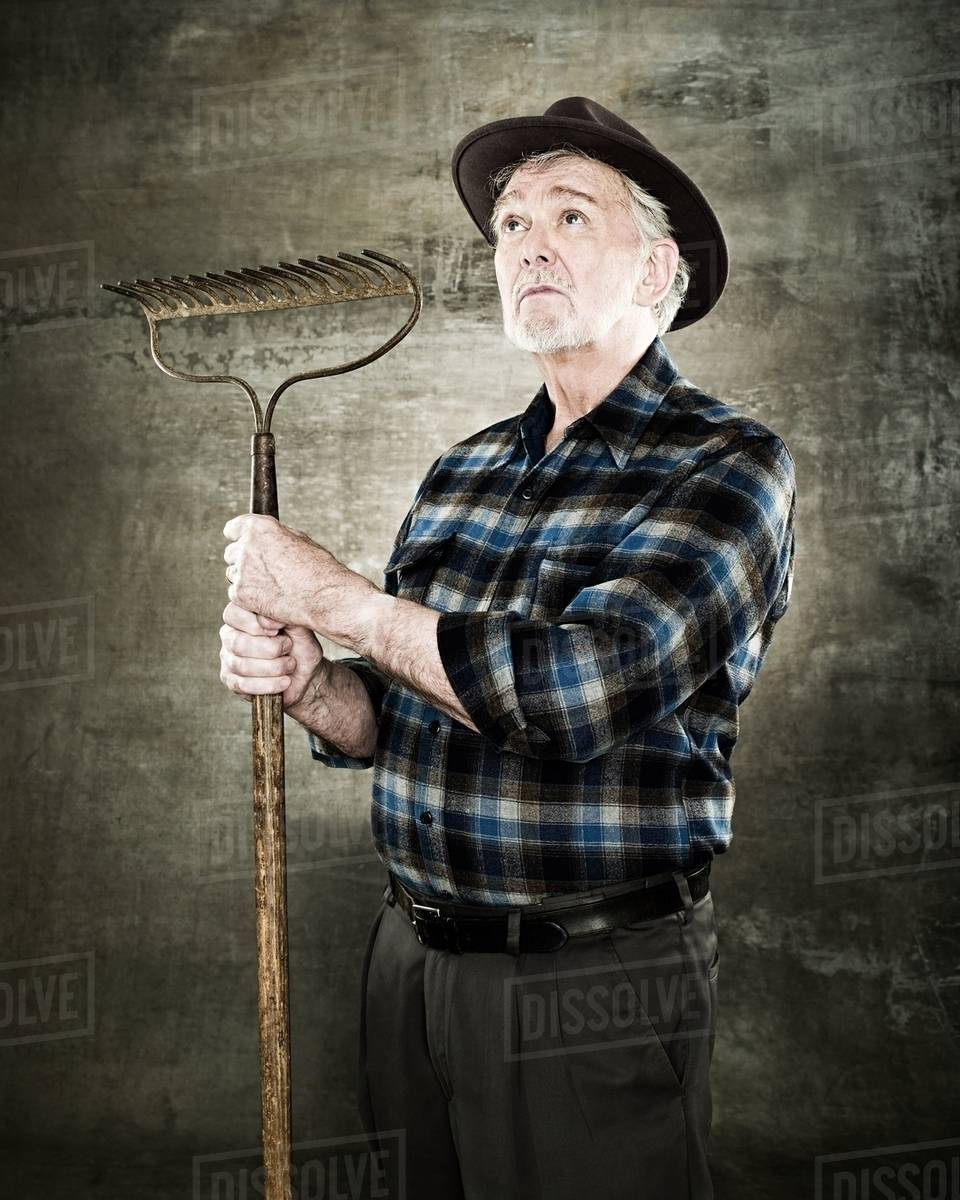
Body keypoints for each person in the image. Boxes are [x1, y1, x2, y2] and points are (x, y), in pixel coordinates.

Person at [219, 96, 796, 1200]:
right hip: (409, 969)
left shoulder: (727, 468)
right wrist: (314, 683)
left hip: (587, 986)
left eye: (571, 216)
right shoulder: (465, 471)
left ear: (655, 270)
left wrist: (335, 598)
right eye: (512, 225)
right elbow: (399, 714)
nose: (527, 240)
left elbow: (577, 696)